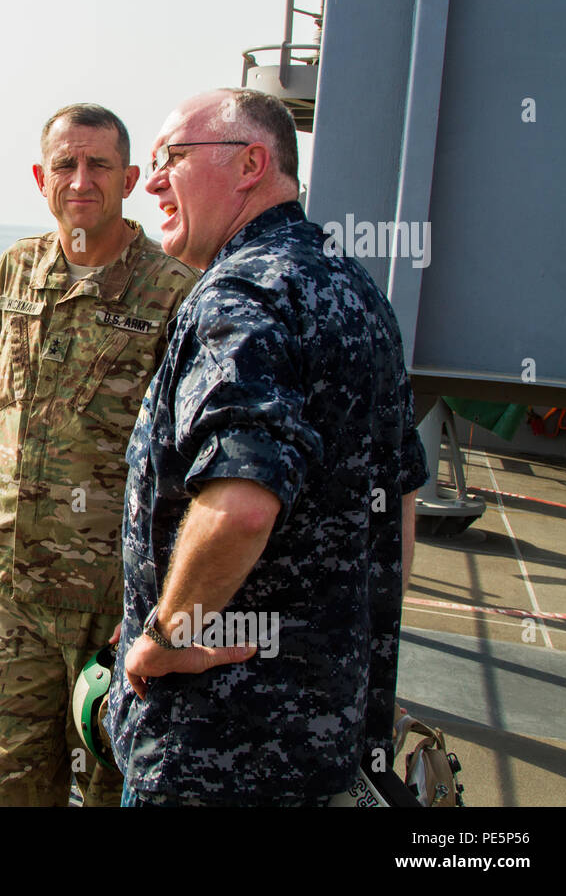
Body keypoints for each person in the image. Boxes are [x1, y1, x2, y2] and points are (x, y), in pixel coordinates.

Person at [108, 88, 428, 806]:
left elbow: (242, 506)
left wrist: (165, 633)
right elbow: (399, 506)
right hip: (325, 738)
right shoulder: (355, 290)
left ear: (252, 162)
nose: (152, 180)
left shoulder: (240, 296)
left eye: (170, 159)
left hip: (215, 749)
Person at [0, 104, 198, 806]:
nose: (81, 180)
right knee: (3, 785)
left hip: (120, 605)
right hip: (15, 600)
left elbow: (200, 461)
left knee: (114, 782)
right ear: (42, 177)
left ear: (130, 179)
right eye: (66, 164)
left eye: (99, 165)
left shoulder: (174, 297)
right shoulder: (13, 275)